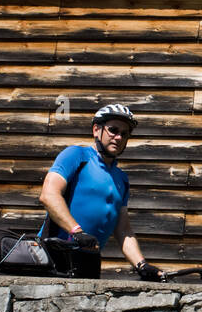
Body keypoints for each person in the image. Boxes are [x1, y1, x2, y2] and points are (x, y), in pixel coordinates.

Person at [38, 103, 163, 281]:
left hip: (89, 259)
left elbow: (123, 229)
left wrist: (141, 264)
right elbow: (48, 195)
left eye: (124, 134)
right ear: (97, 130)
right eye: (113, 130)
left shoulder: (121, 179)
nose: (118, 137)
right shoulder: (76, 156)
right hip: (55, 253)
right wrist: (77, 232)